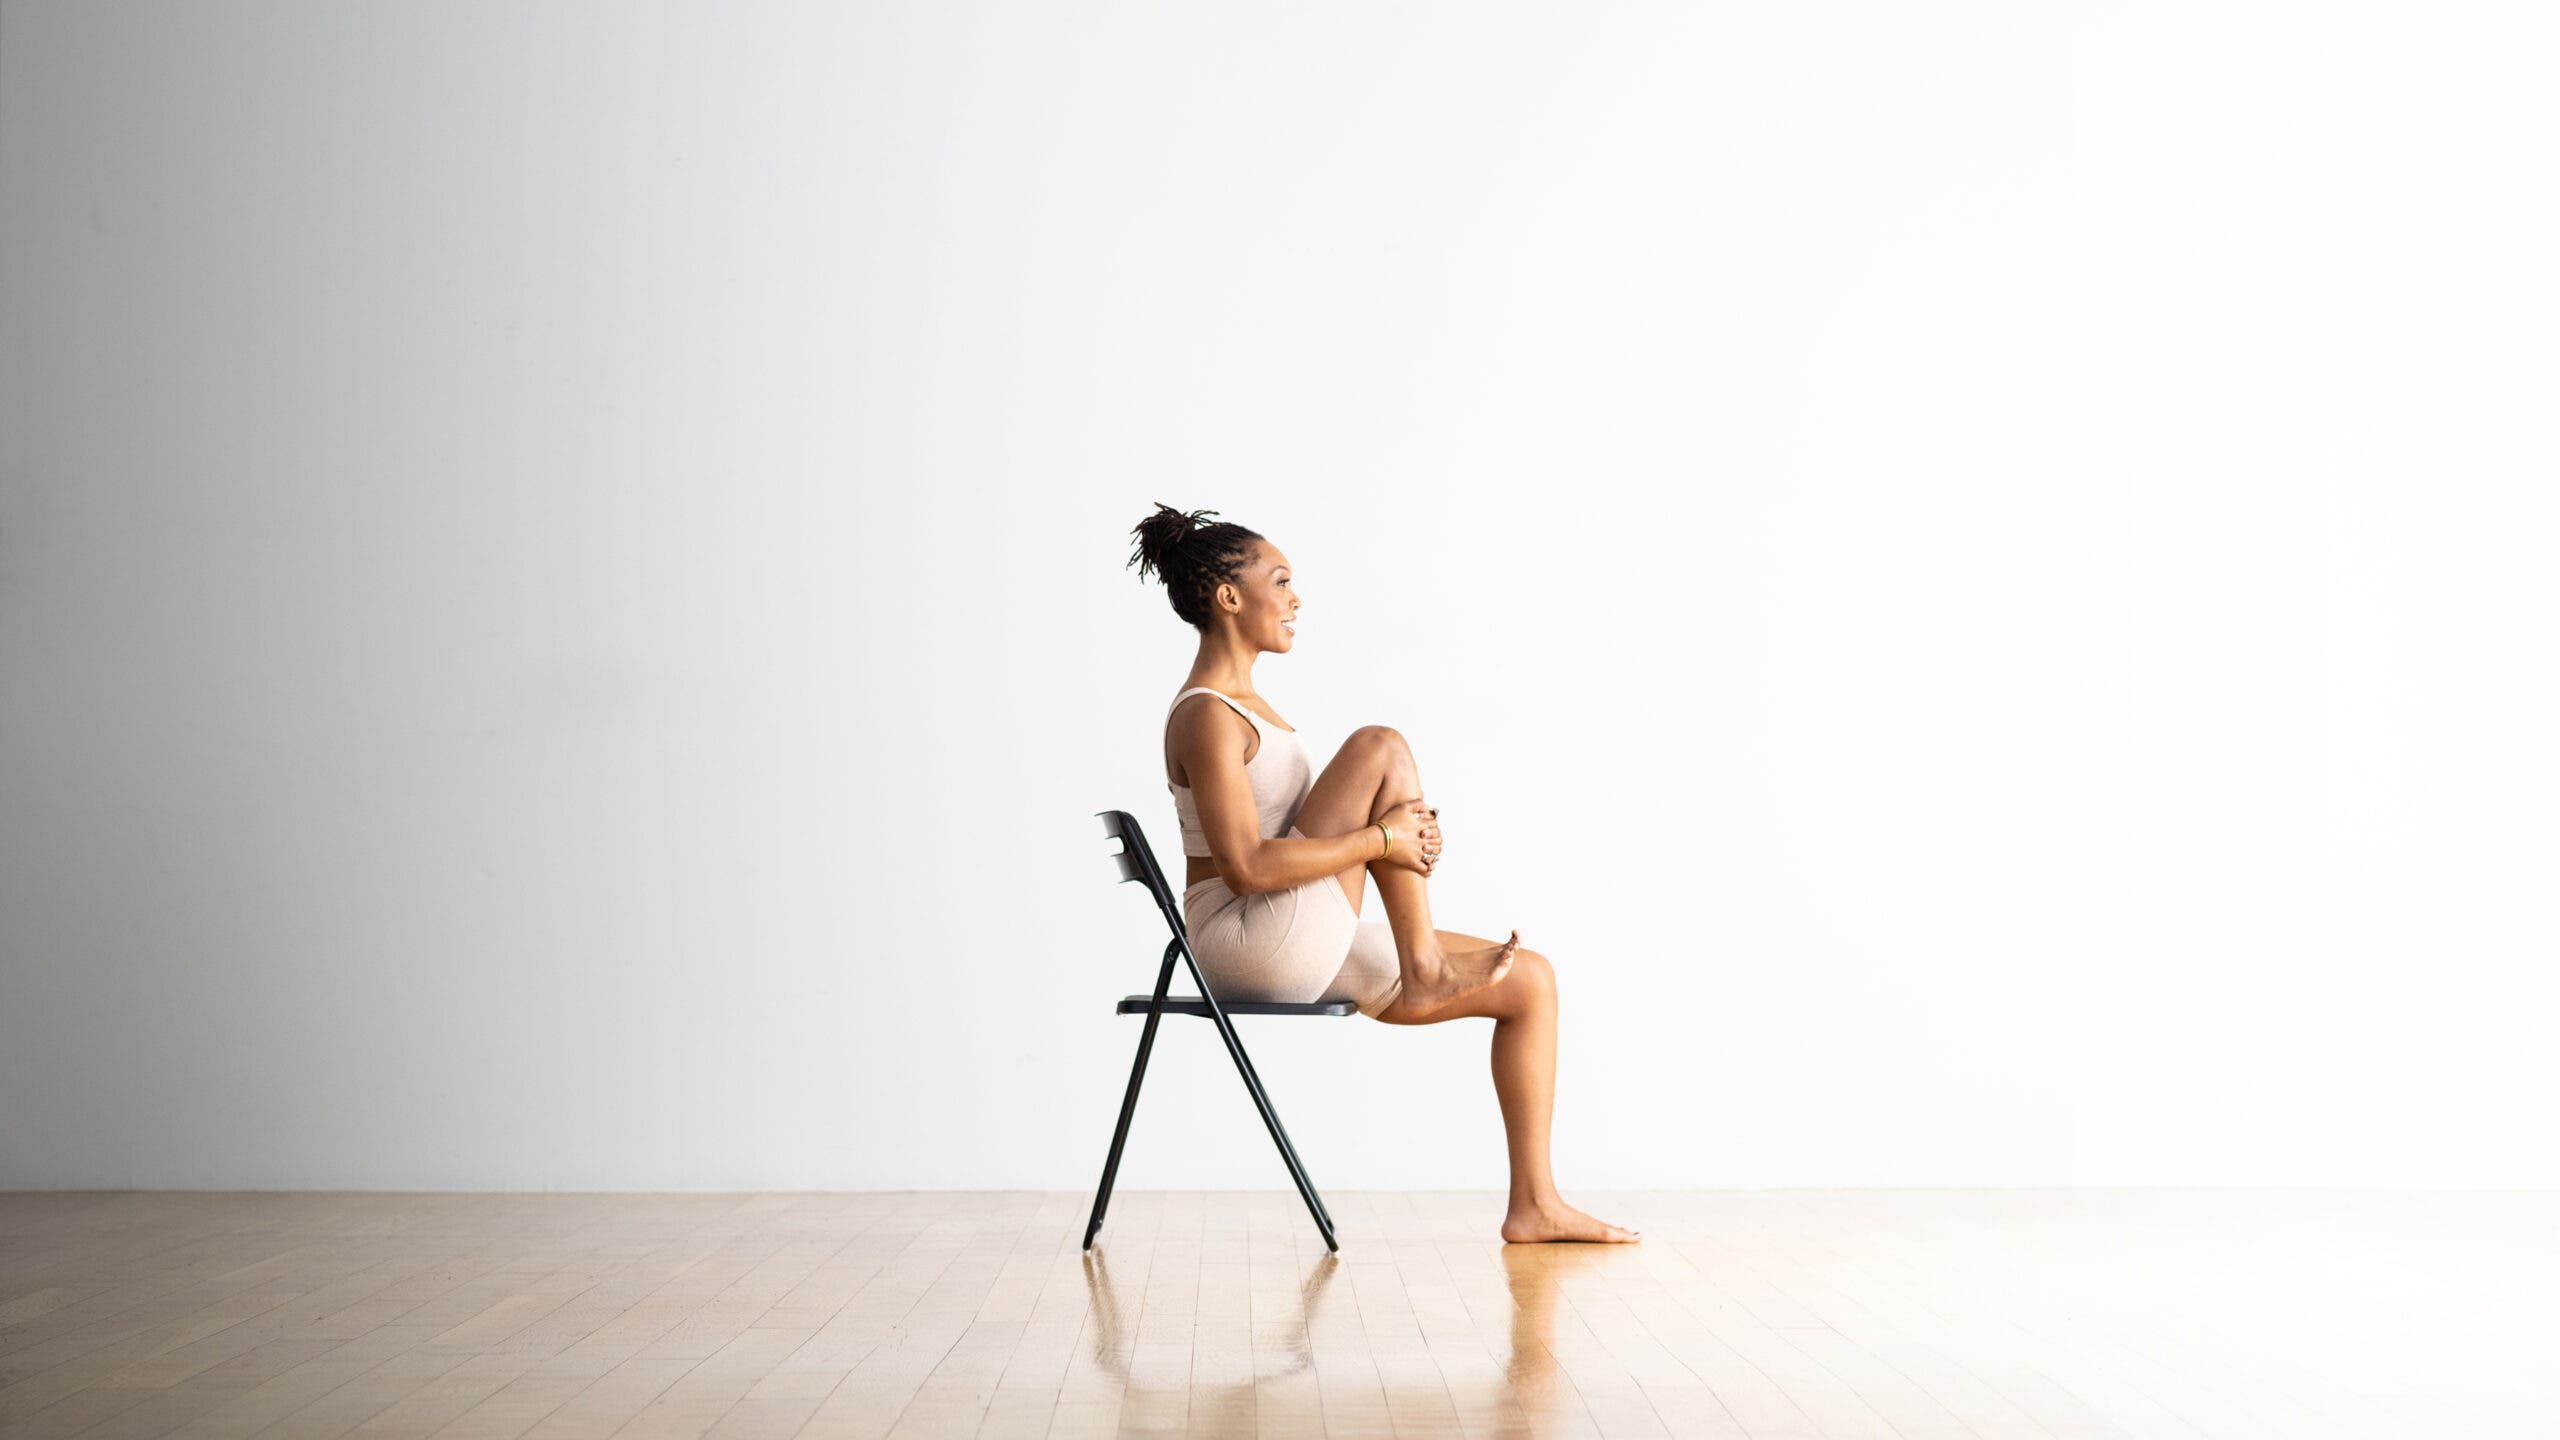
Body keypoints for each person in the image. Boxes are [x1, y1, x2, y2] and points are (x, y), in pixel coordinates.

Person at [1127, 503, 1638, 1245]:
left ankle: (1534, 1204)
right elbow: (1245, 868)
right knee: (1381, 746)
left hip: (1281, 930)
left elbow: (1309, 843)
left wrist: (1396, 840)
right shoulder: (1207, 714)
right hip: (1244, 942)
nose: (1296, 599)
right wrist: (1380, 838)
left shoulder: (1248, 707)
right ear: (1229, 597)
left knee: (1530, 980)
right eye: (1281, 581)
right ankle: (1423, 966)